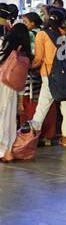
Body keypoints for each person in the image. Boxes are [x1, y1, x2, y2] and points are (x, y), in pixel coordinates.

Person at [31, 9, 66, 148]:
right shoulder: (65, 36)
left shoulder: (42, 35)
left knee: (43, 105)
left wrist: (28, 67)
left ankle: (33, 135)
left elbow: (38, 59)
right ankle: (65, 138)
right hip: (65, 75)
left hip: (49, 74)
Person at [0, 20, 31, 162]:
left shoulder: (3, 46)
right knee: (9, 119)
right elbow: (22, 80)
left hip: (2, 84)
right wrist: (20, 102)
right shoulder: (24, 55)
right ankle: (7, 151)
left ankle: (4, 151)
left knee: (2, 118)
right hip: (12, 88)